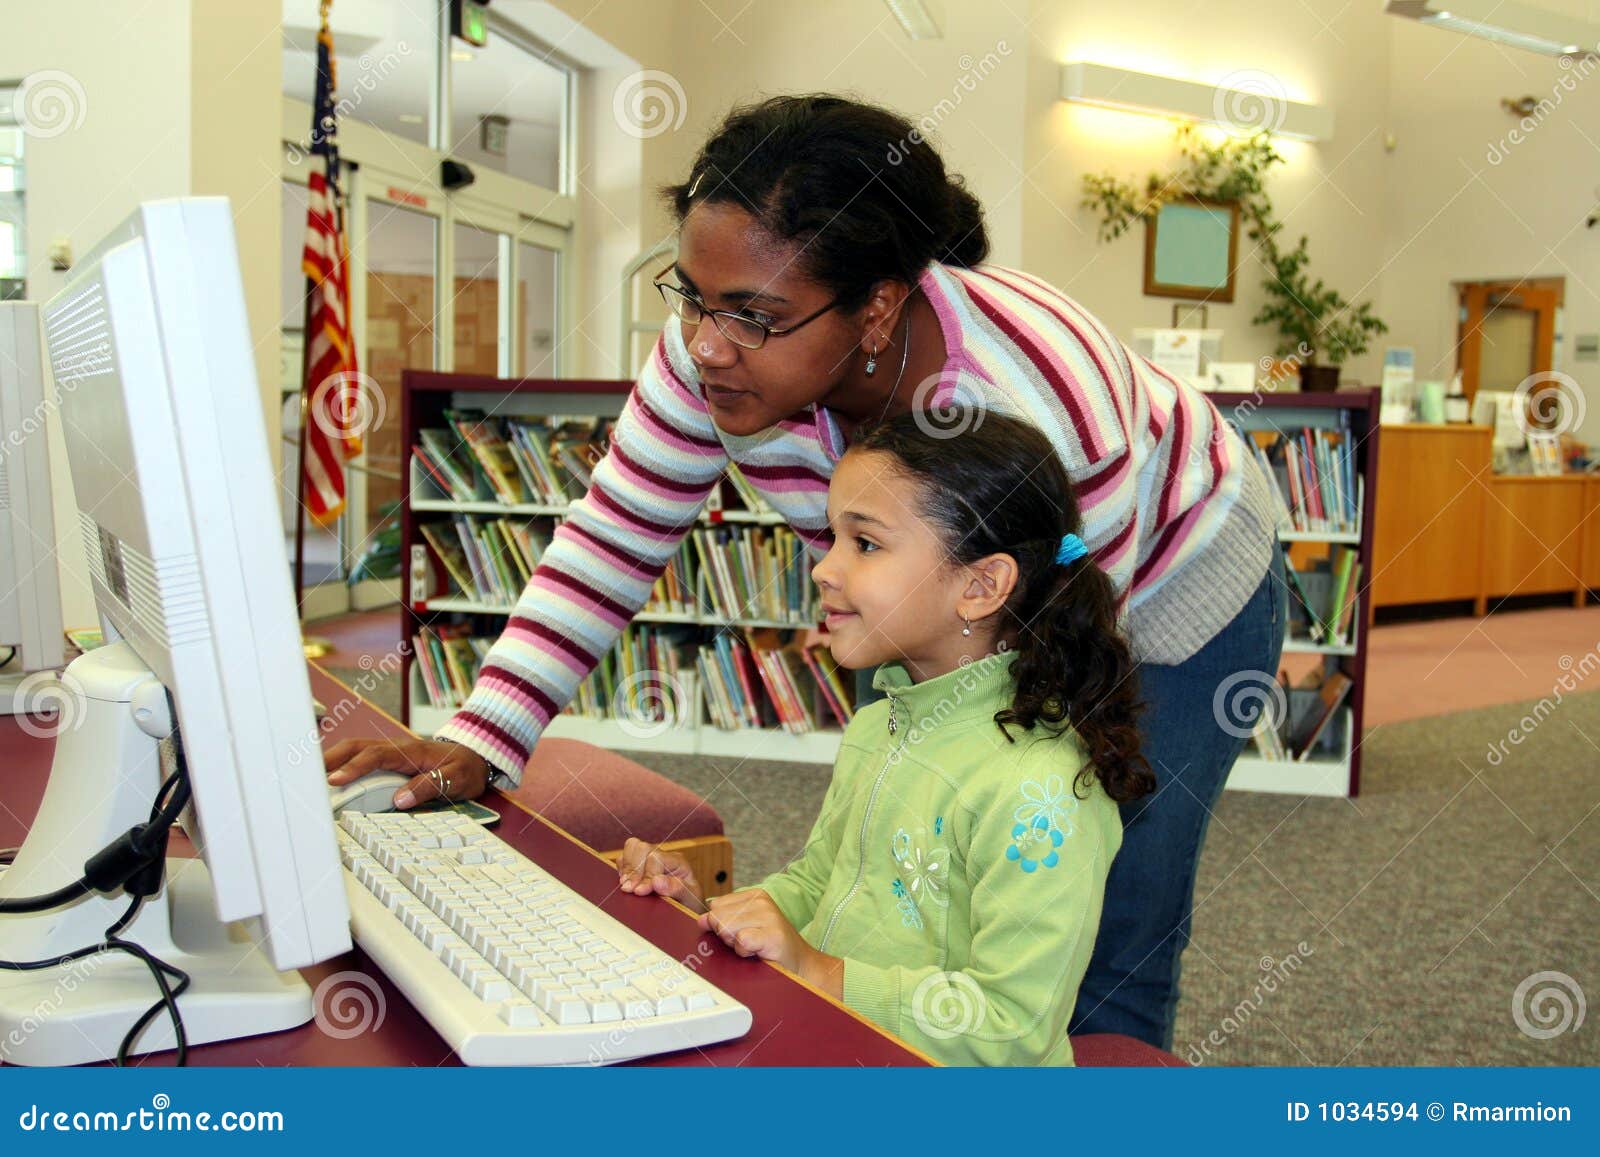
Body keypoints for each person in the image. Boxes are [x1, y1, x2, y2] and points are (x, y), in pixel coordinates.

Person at [324, 93, 1286, 1050]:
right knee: (885, 867)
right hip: (928, 596)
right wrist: (484, 737)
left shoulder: (1036, 400)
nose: (707, 343)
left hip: (1158, 586)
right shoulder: (715, 353)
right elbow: (615, 533)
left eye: (752, 314)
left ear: (876, 307)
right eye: (693, 296)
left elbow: (1066, 648)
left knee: (1100, 904)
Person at [619, 412, 1154, 1064]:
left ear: (981, 585)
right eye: (833, 537)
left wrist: (823, 973)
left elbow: (1011, 1027)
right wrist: (709, 907)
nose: (824, 568)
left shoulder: (1040, 790)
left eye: (865, 544)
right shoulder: (881, 721)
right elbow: (821, 885)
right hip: (839, 1046)